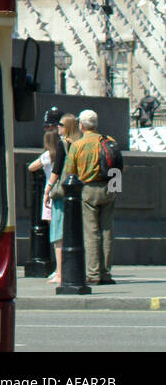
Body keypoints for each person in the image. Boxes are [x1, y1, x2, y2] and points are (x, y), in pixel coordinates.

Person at [61, 109, 116, 284]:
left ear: (82, 125)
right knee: (107, 232)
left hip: (88, 190)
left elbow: (70, 172)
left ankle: (93, 274)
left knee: (92, 233)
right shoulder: (109, 141)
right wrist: (115, 190)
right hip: (109, 188)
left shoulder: (78, 145)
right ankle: (106, 272)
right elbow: (119, 167)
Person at [29, 128, 66, 283]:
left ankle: (59, 270)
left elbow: (31, 167)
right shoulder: (63, 154)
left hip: (50, 195)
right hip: (63, 193)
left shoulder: (47, 156)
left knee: (56, 235)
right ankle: (61, 269)